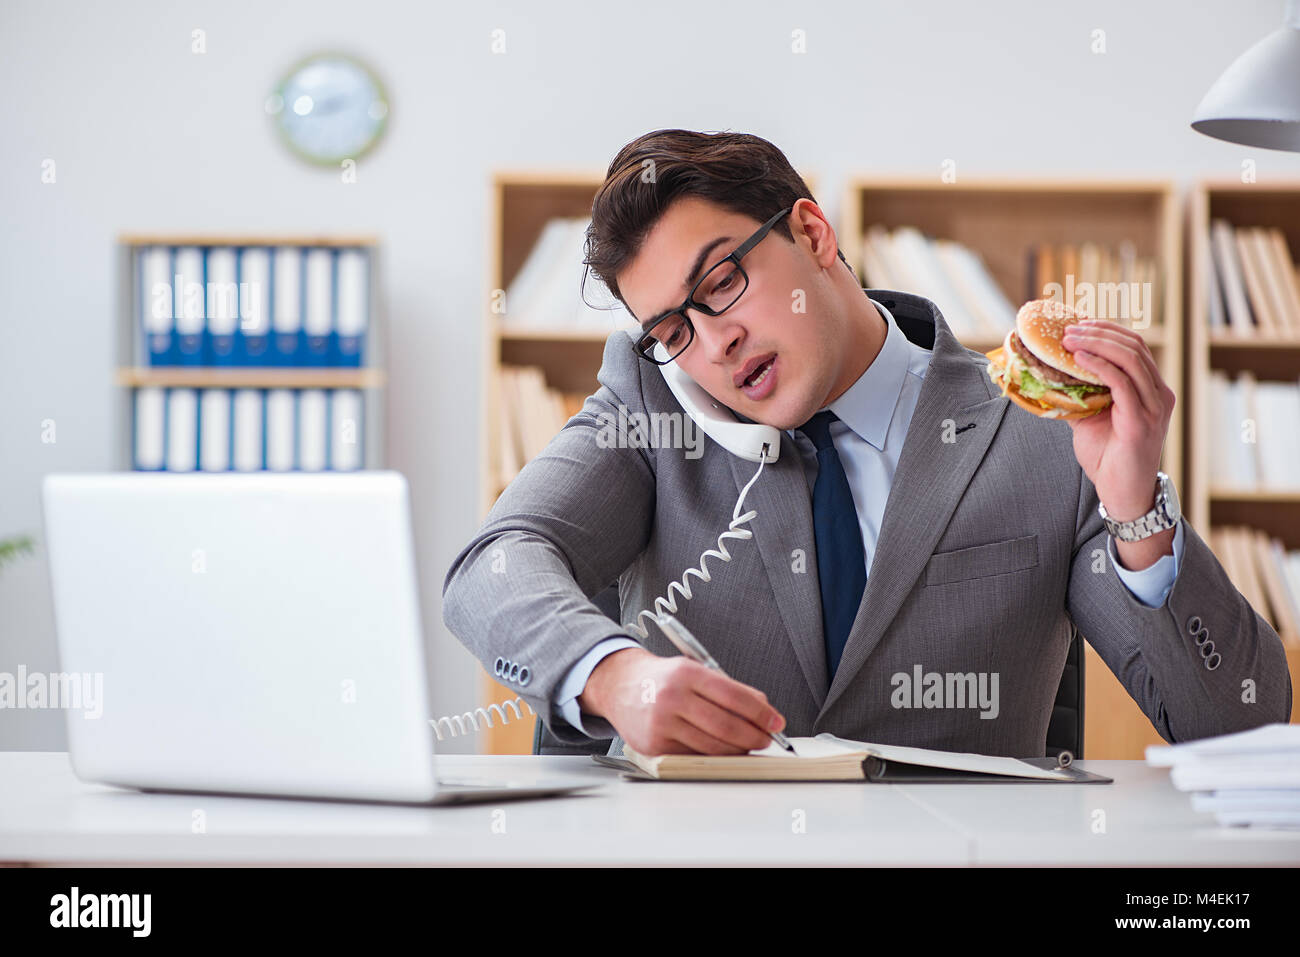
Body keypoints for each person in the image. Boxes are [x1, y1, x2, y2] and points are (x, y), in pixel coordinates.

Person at [443, 129, 1291, 758]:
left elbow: (1240, 724)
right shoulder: (652, 405)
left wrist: (1139, 513)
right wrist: (611, 672)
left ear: (812, 234)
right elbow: (493, 564)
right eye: (672, 327)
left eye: (721, 282)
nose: (714, 344)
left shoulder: (1039, 434)